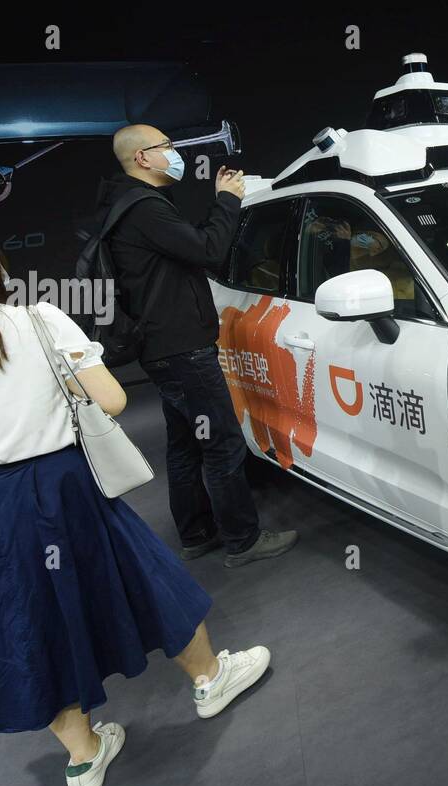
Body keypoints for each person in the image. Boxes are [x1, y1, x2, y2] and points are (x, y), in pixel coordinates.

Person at [0, 219, 272, 786]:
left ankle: (83, 756)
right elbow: (111, 397)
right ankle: (210, 680)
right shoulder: (36, 321)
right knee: (137, 577)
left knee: (18, 619)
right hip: (59, 485)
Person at [95, 124, 297, 569]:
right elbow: (208, 250)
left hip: (164, 347)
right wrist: (227, 199)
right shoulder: (144, 208)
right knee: (222, 443)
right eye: (167, 146)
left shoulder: (124, 205)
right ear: (143, 158)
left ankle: (197, 534)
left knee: (185, 444)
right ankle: (242, 540)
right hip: (183, 349)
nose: (176, 153)